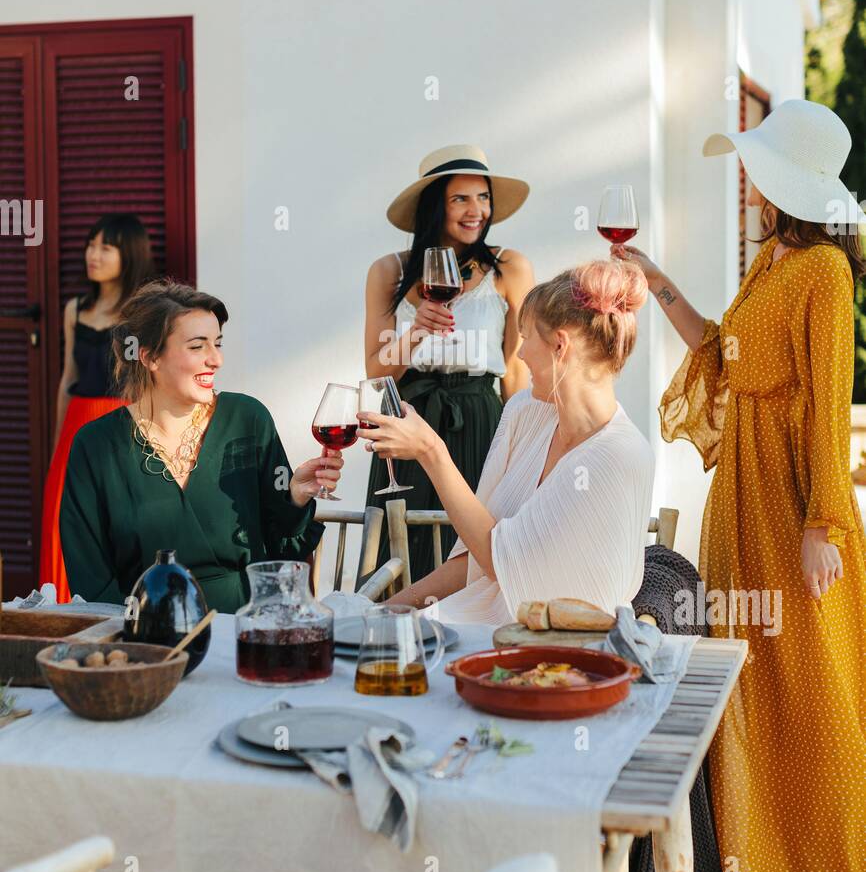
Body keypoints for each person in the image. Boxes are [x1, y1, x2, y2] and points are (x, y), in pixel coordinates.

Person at [615, 97, 866, 872]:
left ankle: (838, 870)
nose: (748, 181)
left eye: (757, 167)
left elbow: (830, 407)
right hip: (742, 500)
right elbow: (716, 351)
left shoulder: (824, 273)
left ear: (782, 181)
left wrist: (823, 525)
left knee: (815, 686)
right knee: (751, 683)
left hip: (793, 504)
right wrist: (657, 284)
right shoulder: (771, 261)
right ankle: (761, 869)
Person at [359, 258, 654, 630]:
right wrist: (381, 615)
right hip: (467, 629)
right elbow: (472, 560)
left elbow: (498, 561)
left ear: (559, 346)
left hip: (556, 652)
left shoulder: (618, 456)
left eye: (527, 338)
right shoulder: (524, 413)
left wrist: (430, 451)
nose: (519, 354)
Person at [60, 279, 342, 614]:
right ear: (149, 356)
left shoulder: (248, 418)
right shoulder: (95, 446)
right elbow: (90, 578)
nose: (216, 360)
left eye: (217, 344)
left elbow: (283, 548)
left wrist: (295, 495)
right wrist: (138, 646)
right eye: (197, 347)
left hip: (246, 625)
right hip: (148, 637)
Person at [364, 145, 535, 579]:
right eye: (460, 198)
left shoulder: (509, 268)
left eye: (483, 198)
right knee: (404, 545)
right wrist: (418, 329)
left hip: (480, 416)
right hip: (409, 417)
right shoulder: (389, 271)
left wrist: (525, 447)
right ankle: (399, 634)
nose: (476, 210)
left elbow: (515, 371)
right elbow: (376, 372)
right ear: (433, 206)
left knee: (473, 545)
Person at [39, 214, 153, 601]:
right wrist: (58, 444)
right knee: (61, 520)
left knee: (115, 518)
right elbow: (67, 378)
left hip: (122, 423)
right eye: (91, 245)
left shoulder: (142, 312)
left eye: (106, 246)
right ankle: (60, 612)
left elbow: (148, 381)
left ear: (130, 253)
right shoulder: (75, 309)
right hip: (76, 423)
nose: (93, 254)